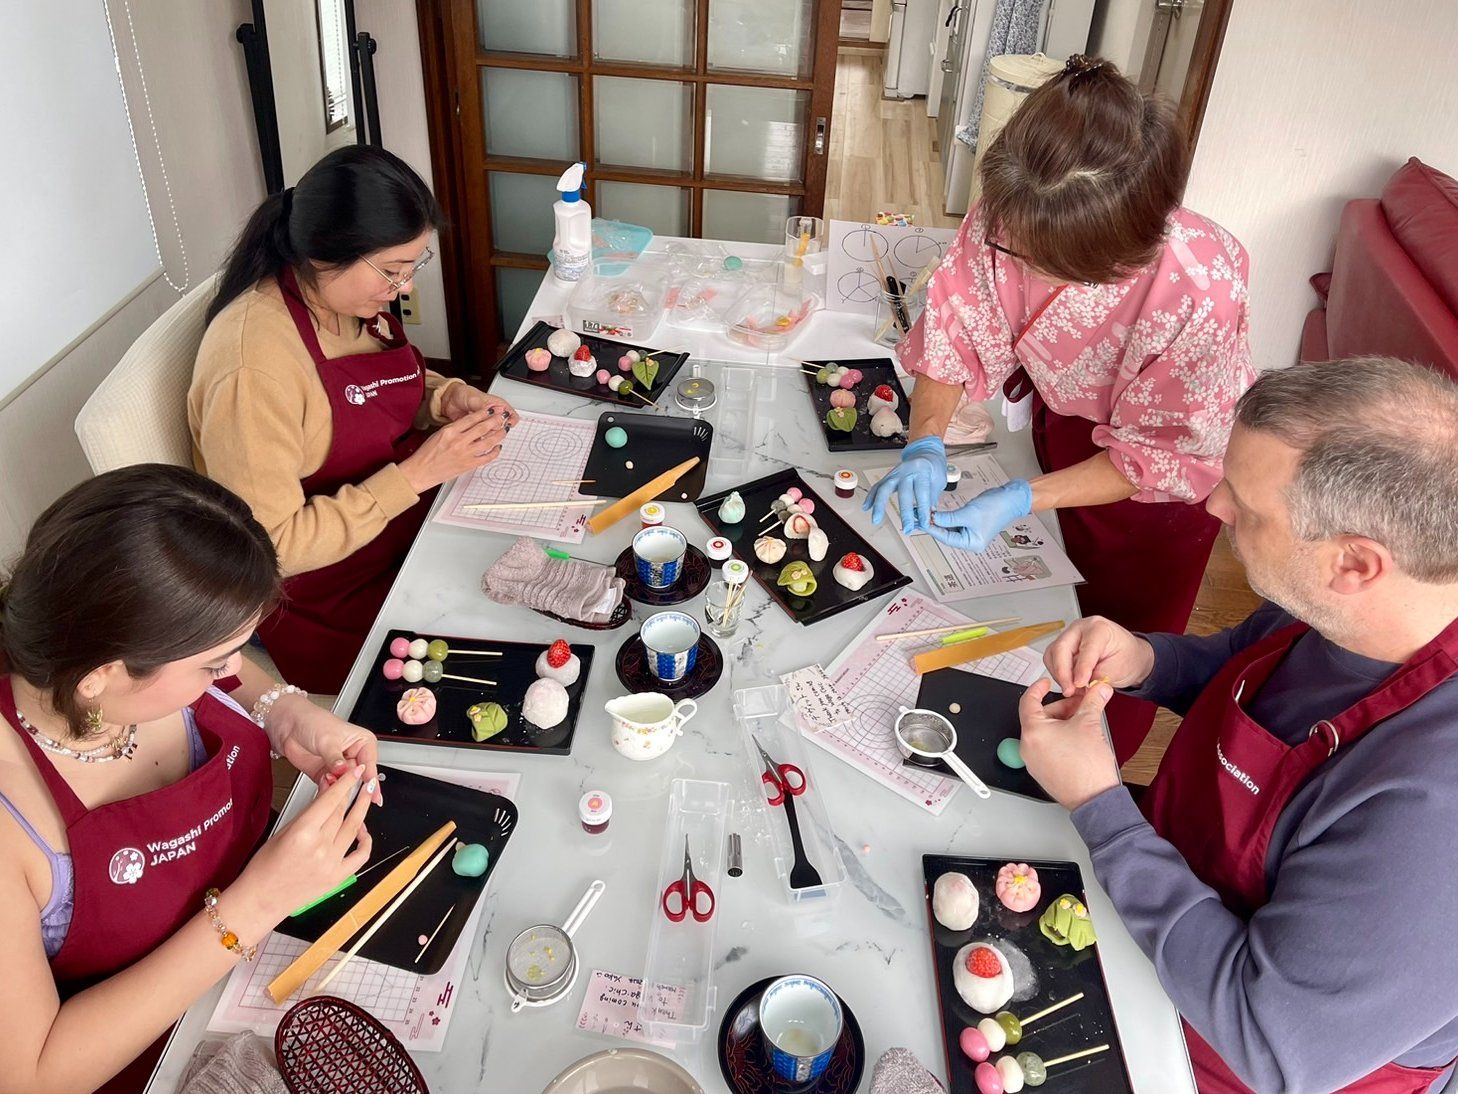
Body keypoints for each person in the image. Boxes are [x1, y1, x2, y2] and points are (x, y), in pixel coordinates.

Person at [1018, 358, 1458, 1091]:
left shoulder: (1434, 816)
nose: (1214, 503)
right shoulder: (1358, 605)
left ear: (1355, 563)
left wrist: (1101, 808)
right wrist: (1148, 660)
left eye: (1248, 507)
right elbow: (1245, 665)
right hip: (1155, 890)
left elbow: (1269, 1040)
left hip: (1218, 1046)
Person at [865, 55, 1253, 763]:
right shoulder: (1013, 210)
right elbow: (954, 329)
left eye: (1050, 263)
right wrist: (925, 440)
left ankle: (1093, 778)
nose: (1022, 268)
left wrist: (1022, 497)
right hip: (1067, 431)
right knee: (1037, 619)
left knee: (1113, 660)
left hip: (1160, 493)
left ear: (1122, 254)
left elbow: (1163, 456)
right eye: (1015, 249)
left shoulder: (1202, 283)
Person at [0, 465, 381, 1092]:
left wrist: (285, 711)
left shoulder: (117, 660)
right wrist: (258, 903)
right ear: (100, 677)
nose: (233, 671)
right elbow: (33, 1077)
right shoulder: (13, 825)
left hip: (267, 963)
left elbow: (227, 668)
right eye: (213, 665)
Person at [190, 145, 518, 693]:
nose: (405, 288)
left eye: (412, 267)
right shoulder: (253, 370)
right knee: (500, 663)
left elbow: (379, 392)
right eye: (392, 271)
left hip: (400, 533)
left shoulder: (347, 305)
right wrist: (415, 475)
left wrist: (446, 398)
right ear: (325, 253)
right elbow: (271, 549)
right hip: (326, 594)